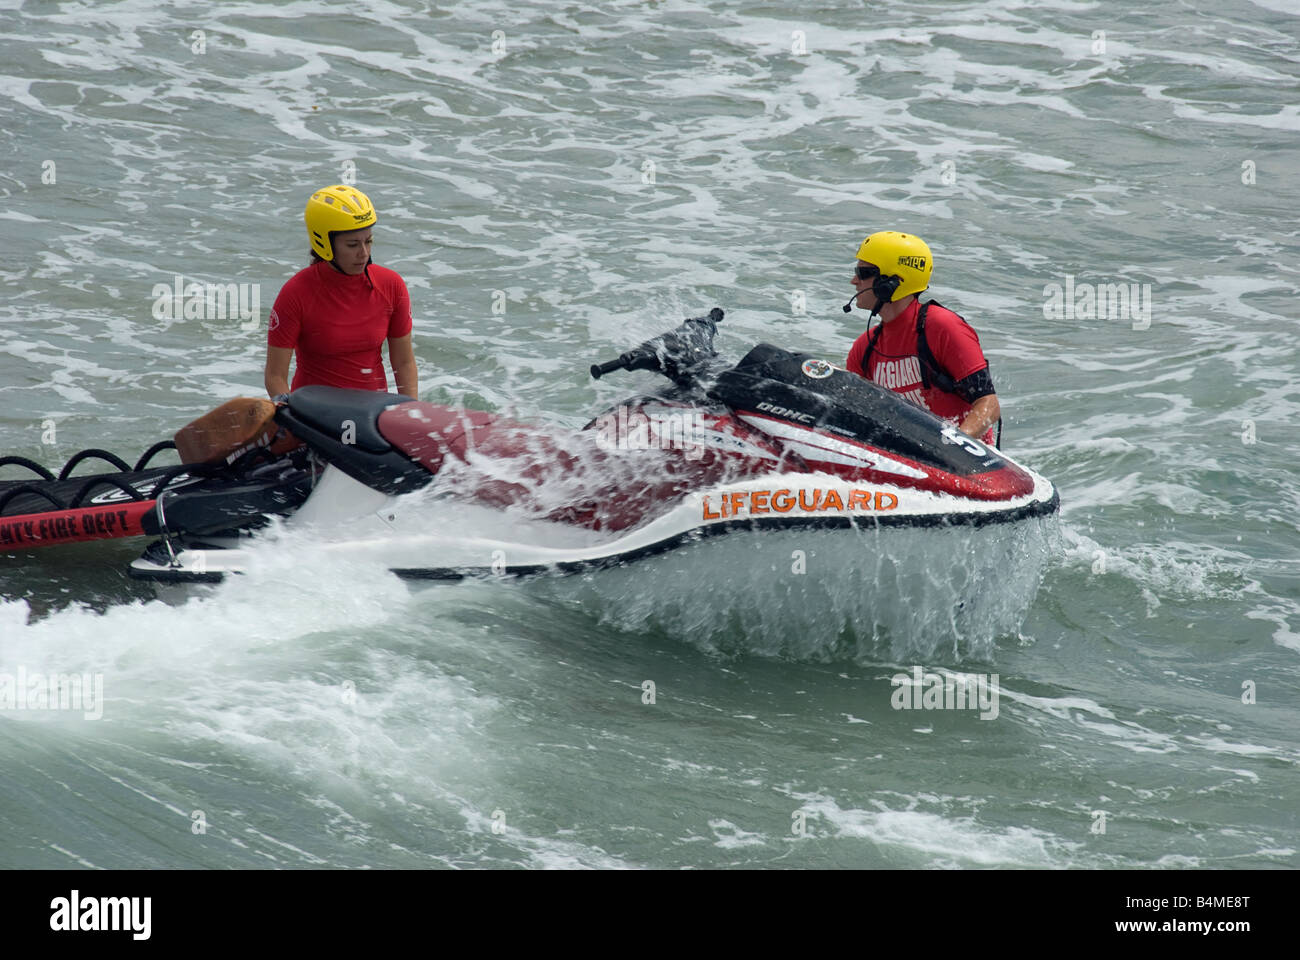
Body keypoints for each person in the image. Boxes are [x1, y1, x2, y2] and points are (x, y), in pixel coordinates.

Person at [843, 231, 1000, 445]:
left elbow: (989, 405)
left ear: (890, 282)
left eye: (863, 273)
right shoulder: (864, 347)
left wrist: (951, 446)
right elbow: (853, 412)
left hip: (965, 464)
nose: (854, 281)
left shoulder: (943, 327)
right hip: (906, 456)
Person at [264, 184, 418, 400]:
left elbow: (404, 363)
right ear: (325, 243)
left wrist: (409, 413)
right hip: (313, 416)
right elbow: (275, 376)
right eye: (353, 244)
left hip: (372, 414)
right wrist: (292, 416)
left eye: (369, 241)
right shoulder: (296, 293)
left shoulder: (390, 285)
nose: (363, 253)